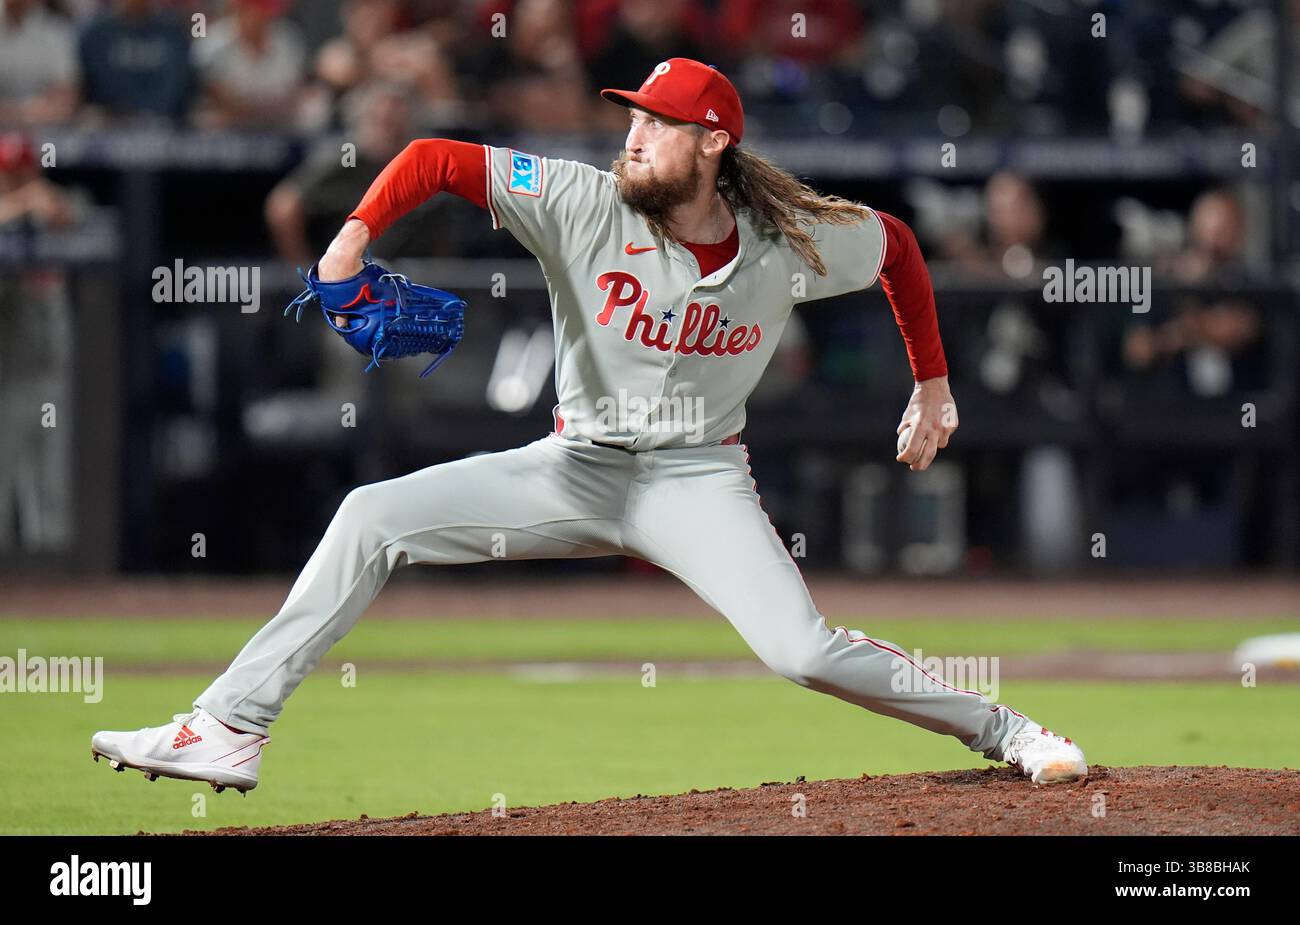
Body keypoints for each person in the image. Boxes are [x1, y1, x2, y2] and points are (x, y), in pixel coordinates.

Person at [91, 58, 1087, 794]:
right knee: (367, 515)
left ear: (712, 144)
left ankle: (1002, 727)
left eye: (656, 123)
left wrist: (933, 386)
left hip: (695, 482)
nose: (633, 137)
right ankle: (227, 726)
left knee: (802, 652)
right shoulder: (577, 199)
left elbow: (899, 248)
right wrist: (351, 240)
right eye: (631, 119)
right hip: (570, 468)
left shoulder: (787, 243)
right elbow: (437, 158)